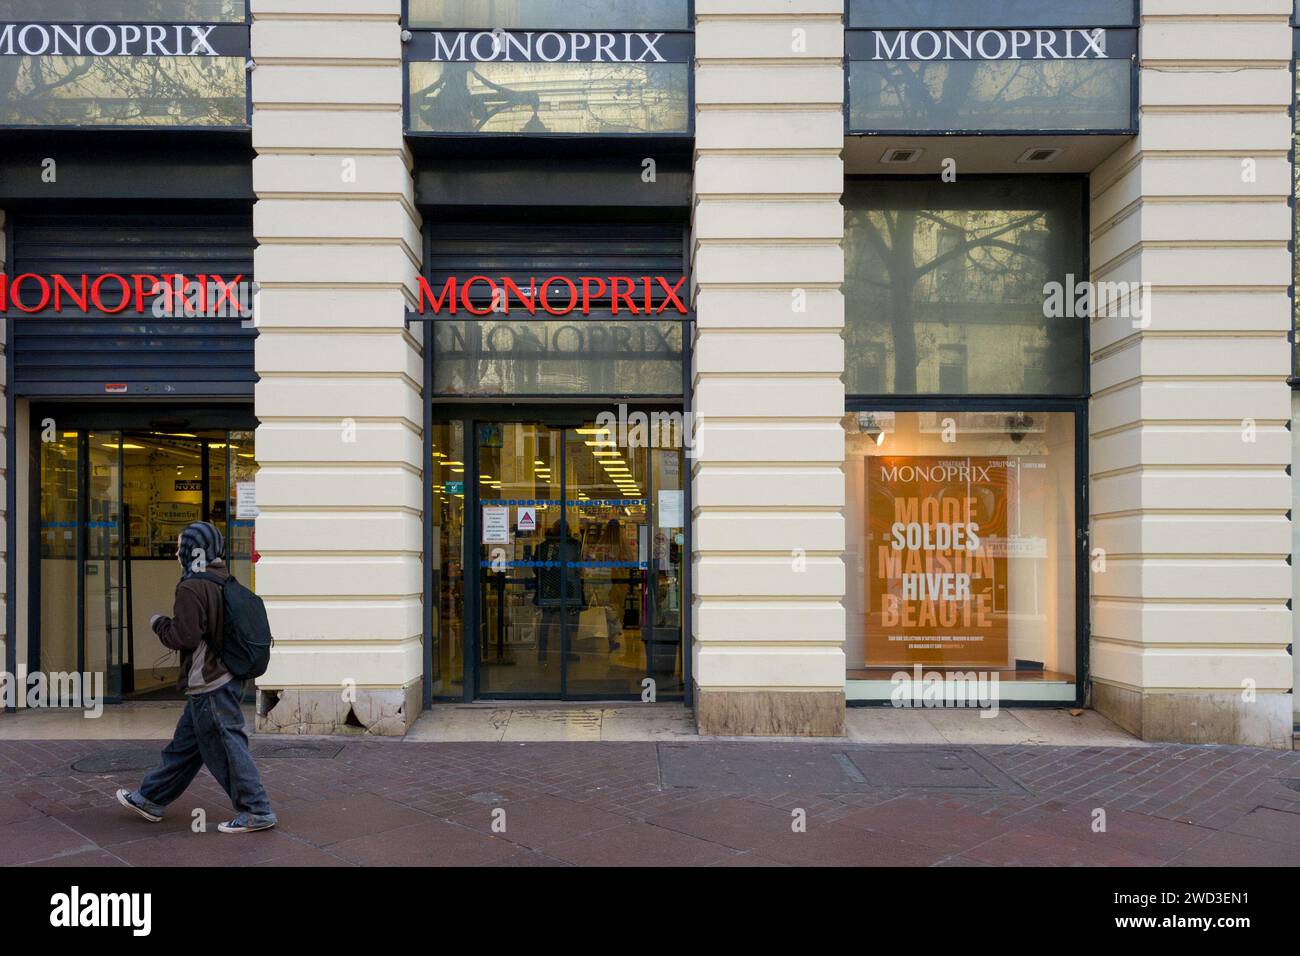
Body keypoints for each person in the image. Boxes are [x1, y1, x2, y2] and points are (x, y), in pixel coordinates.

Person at [116, 521, 277, 834]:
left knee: (227, 747)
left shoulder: (192, 585)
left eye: (181, 546)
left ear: (192, 549)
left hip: (210, 682)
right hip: (225, 676)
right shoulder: (222, 578)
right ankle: (150, 798)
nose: (177, 552)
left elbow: (185, 637)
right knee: (184, 748)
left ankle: (256, 810)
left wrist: (160, 623)